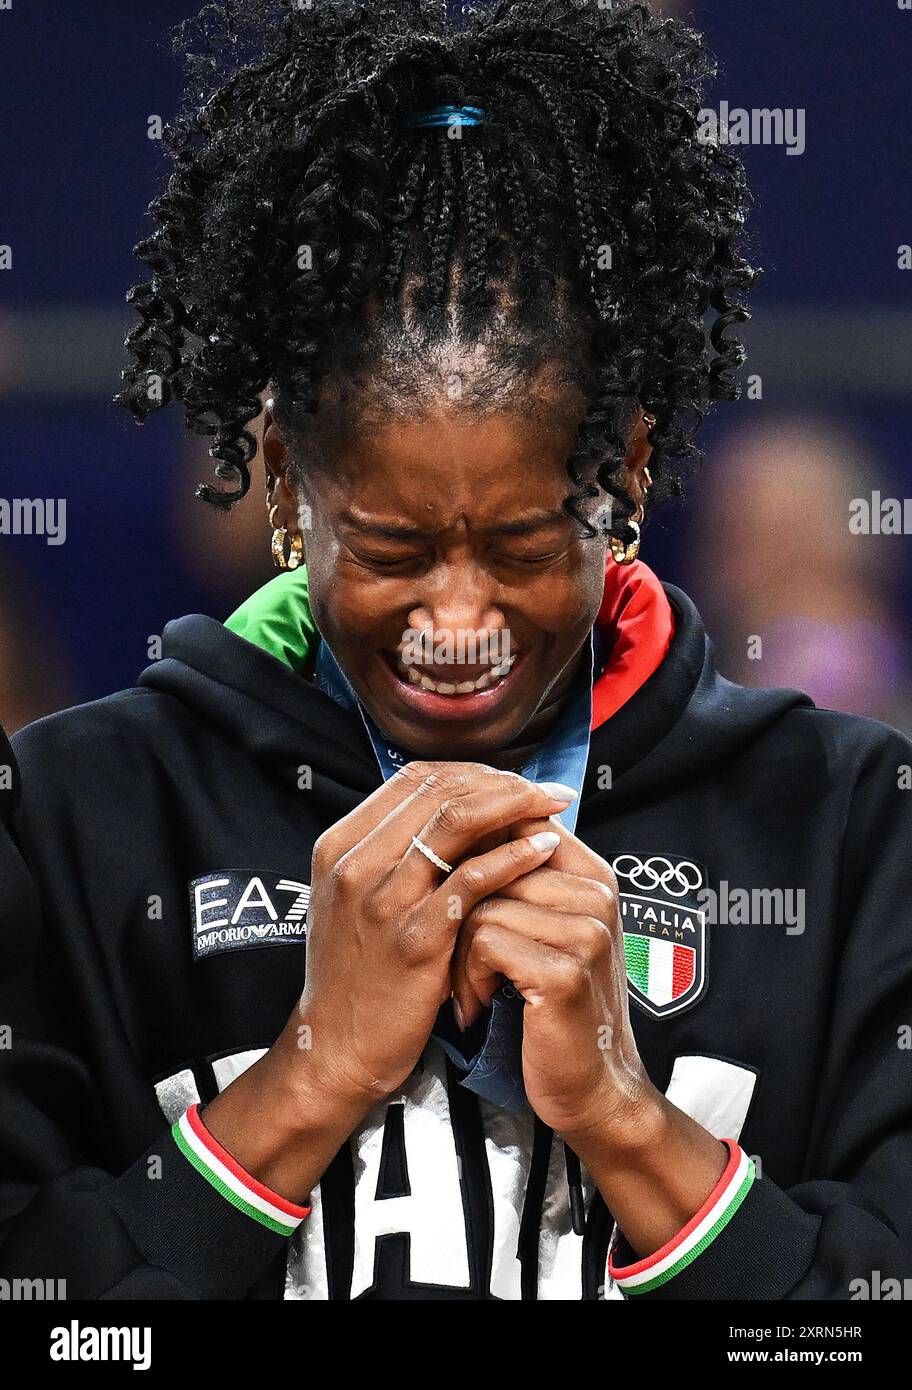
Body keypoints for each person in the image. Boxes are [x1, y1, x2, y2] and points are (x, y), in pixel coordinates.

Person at [1, 0, 910, 1302]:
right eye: (392, 548)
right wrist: (310, 1069)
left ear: (629, 471)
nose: (462, 620)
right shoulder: (68, 821)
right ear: (280, 483)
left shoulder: (854, 825)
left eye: (529, 542)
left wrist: (630, 1124)